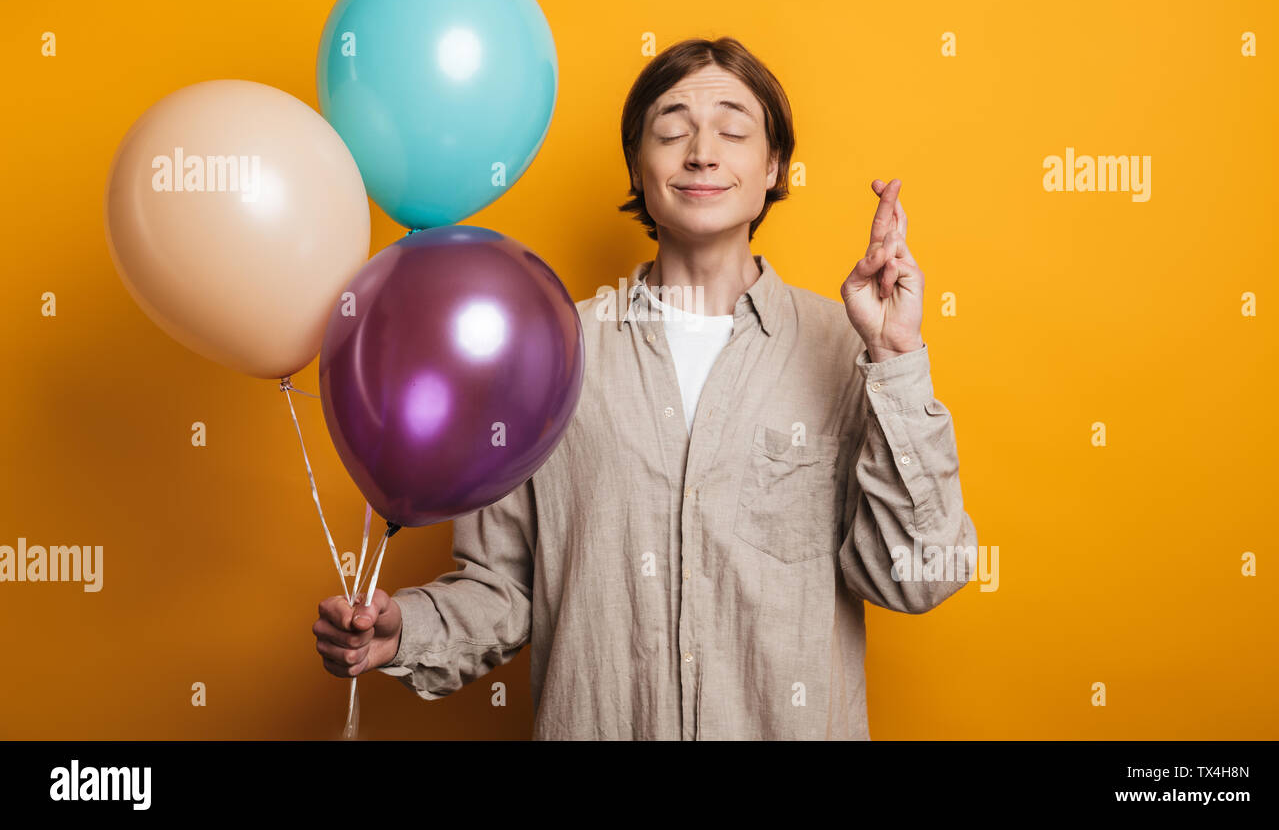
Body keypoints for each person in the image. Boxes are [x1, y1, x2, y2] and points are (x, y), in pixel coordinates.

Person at [313, 36, 978, 739]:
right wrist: (403, 632)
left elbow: (917, 578)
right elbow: (504, 589)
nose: (701, 152)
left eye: (733, 130)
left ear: (774, 165)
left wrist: (897, 352)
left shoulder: (850, 351)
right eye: (671, 131)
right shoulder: (545, 352)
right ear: (638, 163)